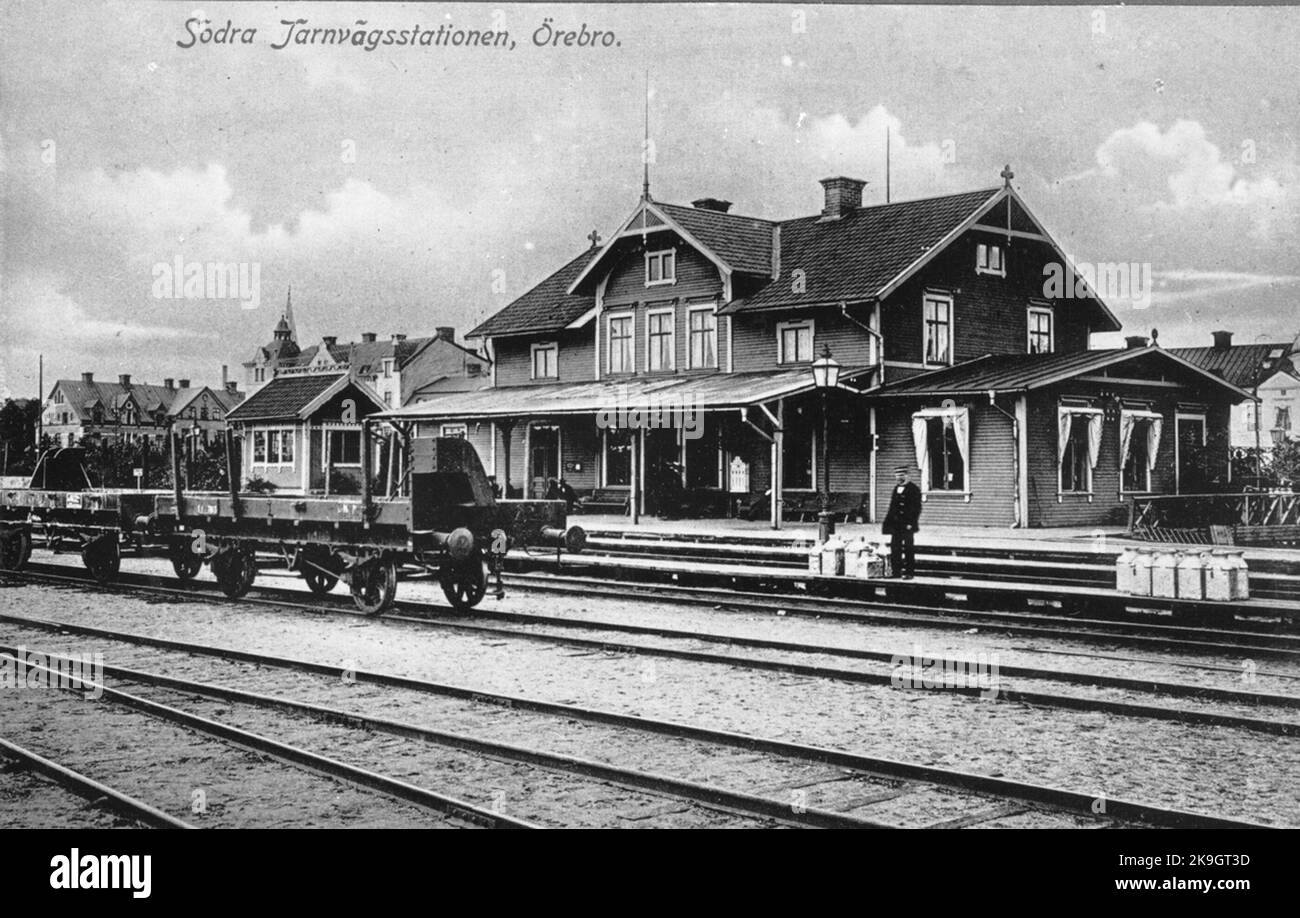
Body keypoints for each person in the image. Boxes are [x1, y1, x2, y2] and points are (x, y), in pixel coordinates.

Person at [882, 465, 921, 579]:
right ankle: (896, 571)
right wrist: (888, 523)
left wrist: (911, 523)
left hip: (907, 524)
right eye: (897, 476)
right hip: (896, 525)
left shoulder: (913, 489)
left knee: (908, 548)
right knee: (895, 548)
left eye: (902, 476)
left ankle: (909, 572)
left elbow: (916, 508)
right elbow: (892, 507)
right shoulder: (896, 489)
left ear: (907, 476)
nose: (899, 478)